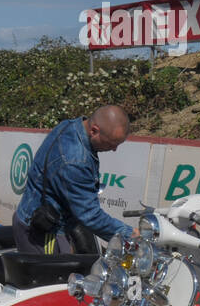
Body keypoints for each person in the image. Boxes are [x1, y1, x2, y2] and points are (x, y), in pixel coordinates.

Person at [12, 105, 133, 254]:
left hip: (32, 215)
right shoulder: (75, 161)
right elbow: (91, 216)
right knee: (54, 277)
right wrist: (130, 235)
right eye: (110, 143)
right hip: (44, 232)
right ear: (94, 130)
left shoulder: (71, 125)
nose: (114, 149)